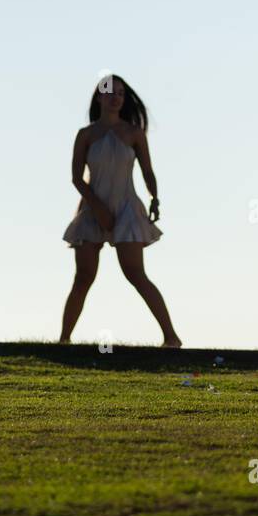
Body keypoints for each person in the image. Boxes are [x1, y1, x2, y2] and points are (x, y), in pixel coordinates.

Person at [61, 75, 182, 348]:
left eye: (120, 93)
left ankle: (171, 337)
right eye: (109, 92)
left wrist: (155, 198)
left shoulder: (134, 133)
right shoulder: (86, 135)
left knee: (136, 274)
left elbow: (148, 171)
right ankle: (64, 339)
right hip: (92, 208)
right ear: (99, 97)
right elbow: (77, 178)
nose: (115, 97)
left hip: (127, 208)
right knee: (83, 277)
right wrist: (98, 209)